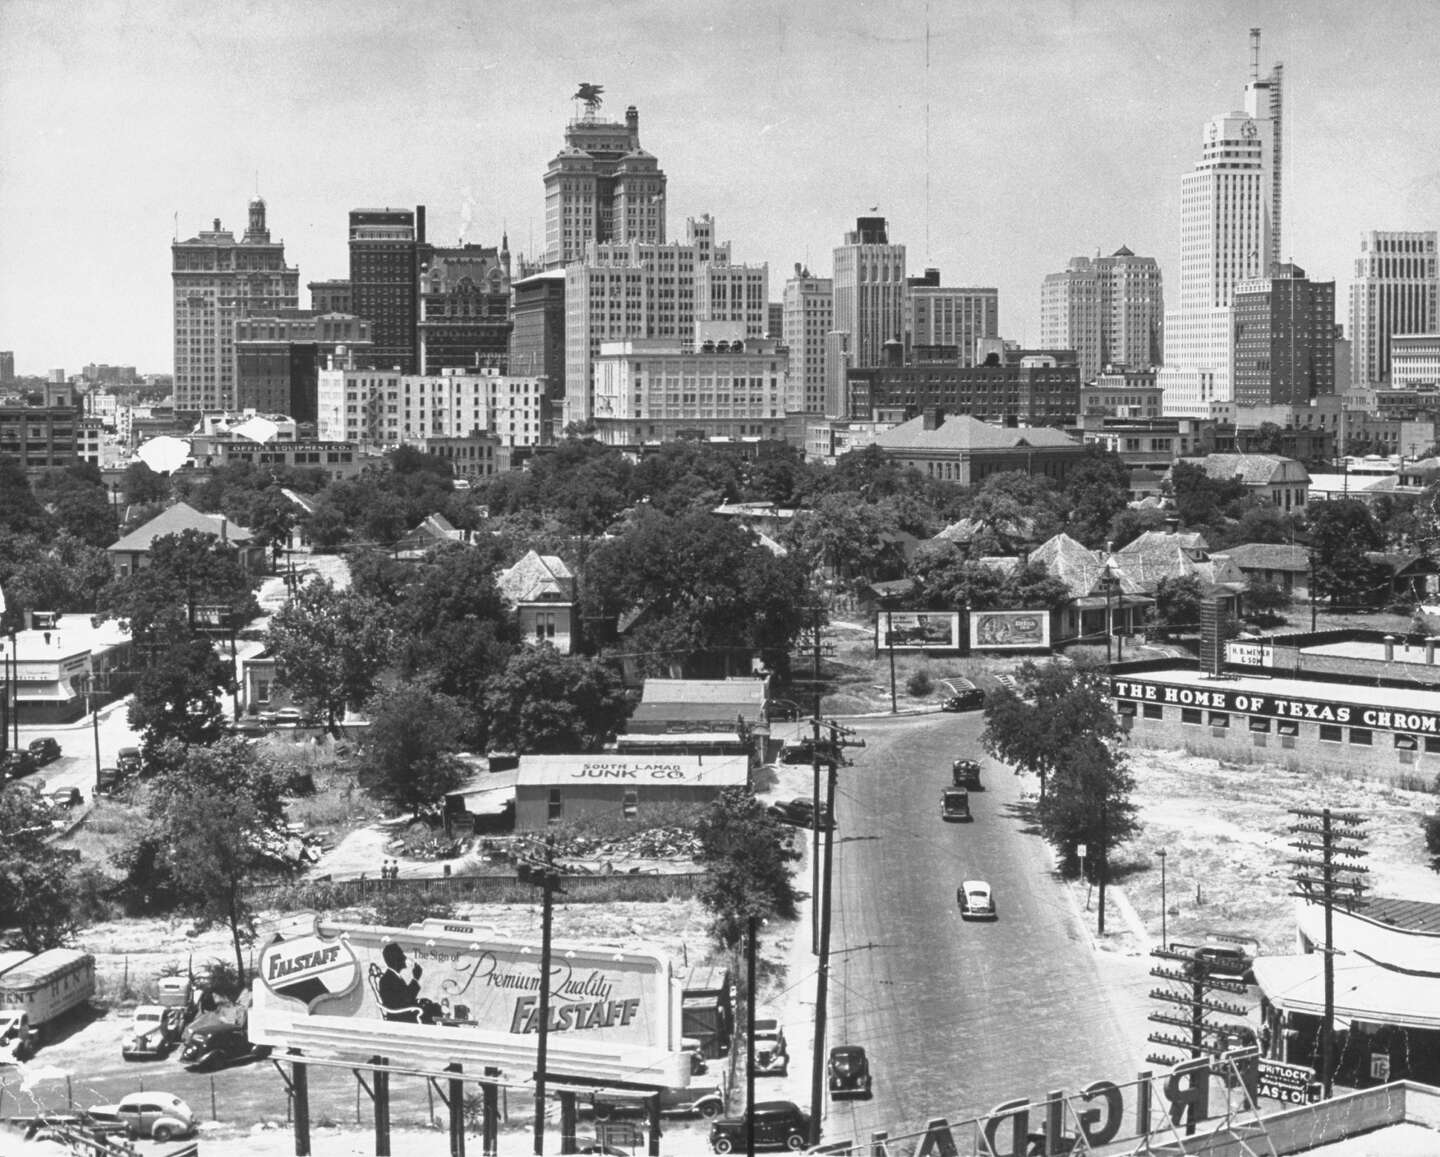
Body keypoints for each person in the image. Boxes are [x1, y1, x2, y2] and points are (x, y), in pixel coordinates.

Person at [376, 941, 442, 1024]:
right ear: (395, 959)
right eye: (402, 955)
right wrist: (415, 978)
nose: (405, 957)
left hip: (404, 1013)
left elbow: (404, 997)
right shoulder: (387, 980)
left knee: (435, 1007)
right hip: (400, 1018)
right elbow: (406, 999)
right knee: (434, 1010)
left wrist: (420, 1001)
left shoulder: (394, 976)